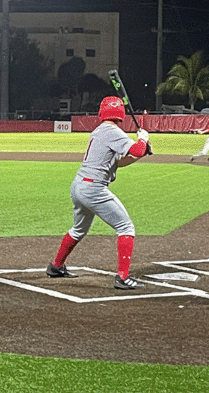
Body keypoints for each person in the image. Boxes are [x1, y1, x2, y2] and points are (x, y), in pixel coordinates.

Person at [46, 95, 151, 290]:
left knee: (78, 229)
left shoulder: (100, 131)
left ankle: (56, 266)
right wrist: (143, 140)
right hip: (94, 188)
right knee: (126, 227)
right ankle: (123, 278)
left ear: (102, 112)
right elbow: (136, 149)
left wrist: (141, 151)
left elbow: (120, 161)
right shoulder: (114, 132)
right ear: (121, 114)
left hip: (78, 186)